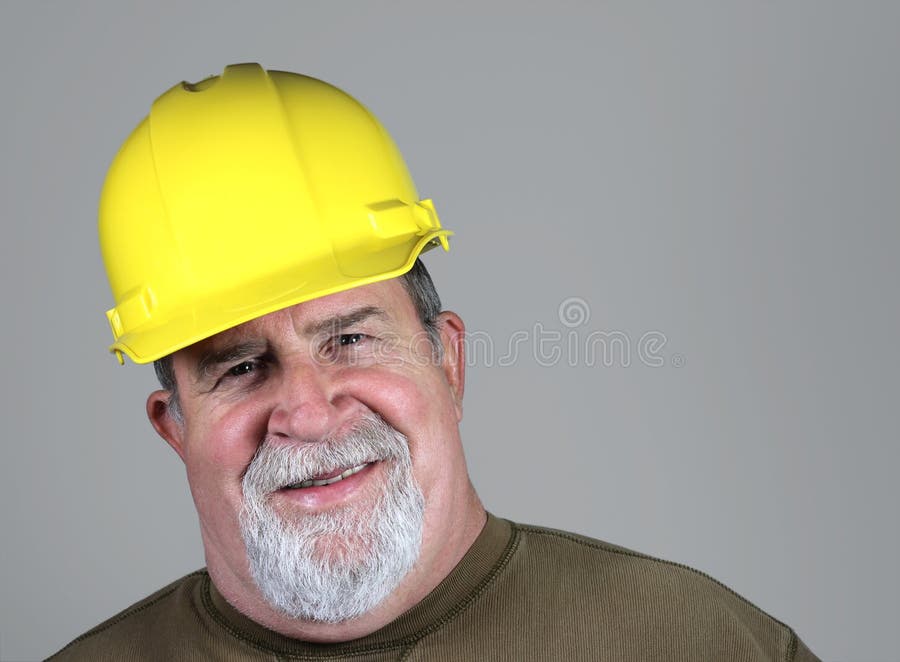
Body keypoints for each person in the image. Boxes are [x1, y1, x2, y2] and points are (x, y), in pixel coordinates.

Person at [49, 63, 820, 661]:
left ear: (446, 361)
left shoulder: (693, 645)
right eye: (241, 367)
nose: (309, 415)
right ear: (173, 427)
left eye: (349, 340)